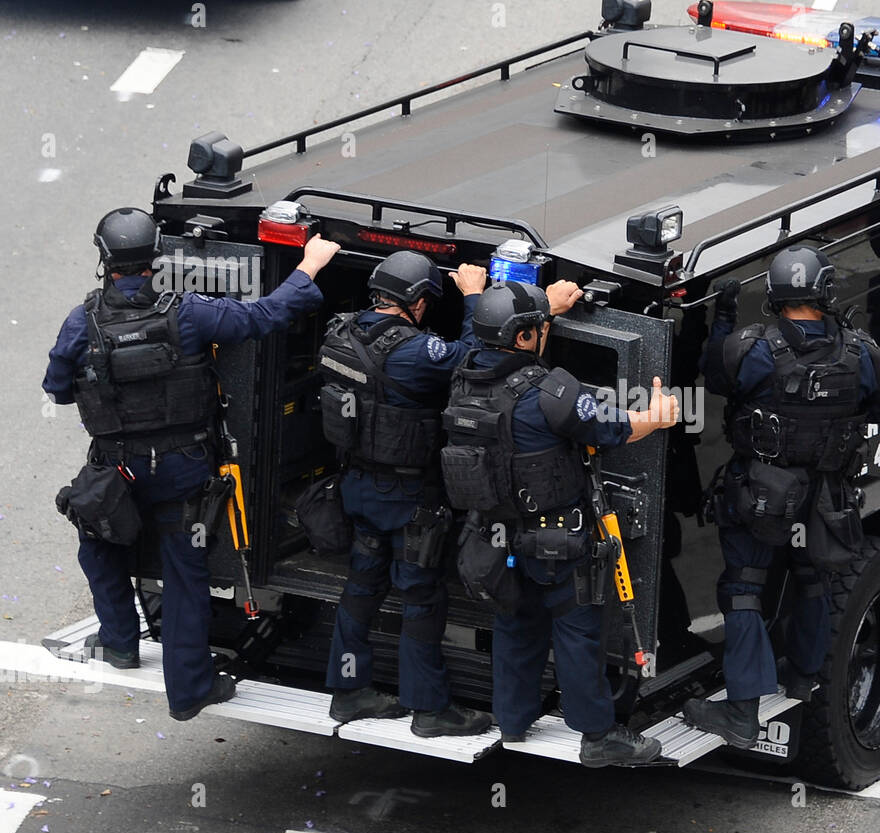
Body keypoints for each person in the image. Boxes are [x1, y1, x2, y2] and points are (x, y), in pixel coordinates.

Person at [43, 208, 336, 720]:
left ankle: (118, 641)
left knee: (98, 540)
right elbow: (265, 317)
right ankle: (190, 690)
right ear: (155, 257)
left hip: (116, 471)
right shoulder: (189, 313)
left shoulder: (81, 321)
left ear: (104, 260)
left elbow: (59, 390)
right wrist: (308, 266)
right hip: (183, 470)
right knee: (184, 578)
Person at [440, 279, 679, 766]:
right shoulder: (549, 390)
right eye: (538, 328)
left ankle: (513, 718)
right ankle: (598, 736)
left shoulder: (463, 378)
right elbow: (608, 428)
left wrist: (538, 303)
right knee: (576, 632)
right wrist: (656, 418)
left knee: (515, 624)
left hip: (491, 535)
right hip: (557, 540)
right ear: (525, 337)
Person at [687, 246, 880, 748]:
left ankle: (742, 712)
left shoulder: (751, 348)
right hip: (827, 493)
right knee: (813, 578)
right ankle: (803, 678)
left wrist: (721, 314)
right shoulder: (858, 350)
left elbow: (714, 374)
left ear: (774, 296)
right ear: (825, 290)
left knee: (744, 588)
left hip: (762, 493)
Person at [317, 251, 494, 738]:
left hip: (357, 486)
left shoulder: (339, 331)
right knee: (419, 596)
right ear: (416, 302)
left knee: (361, 587)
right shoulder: (416, 352)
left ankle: (349, 691)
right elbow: (476, 358)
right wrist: (475, 296)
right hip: (407, 496)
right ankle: (430, 708)